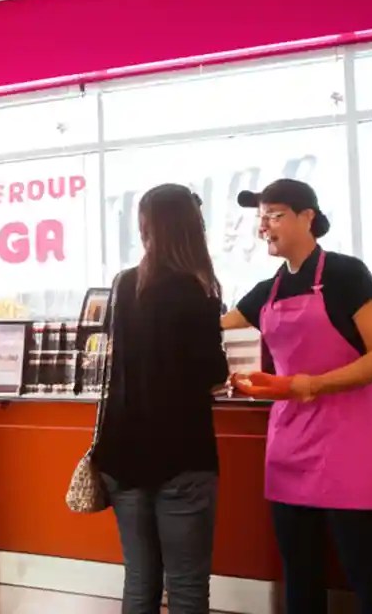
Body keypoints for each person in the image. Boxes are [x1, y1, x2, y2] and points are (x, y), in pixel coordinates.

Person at [221, 179, 372, 614]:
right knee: (299, 575)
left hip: (349, 440)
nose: (264, 225)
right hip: (289, 443)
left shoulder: (346, 275)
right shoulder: (268, 290)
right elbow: (215, 335)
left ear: (309, 217)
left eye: (275, 214)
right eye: (260, 217)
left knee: (366, 570)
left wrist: (309, 385)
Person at [93, 184, 229, 614]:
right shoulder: (198, 287)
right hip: (181, 453)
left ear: (147, 226)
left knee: (139, 578)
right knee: (186, 585)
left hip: (122, 451)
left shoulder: (124, 283)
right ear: (193, 227)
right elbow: (212, 372)